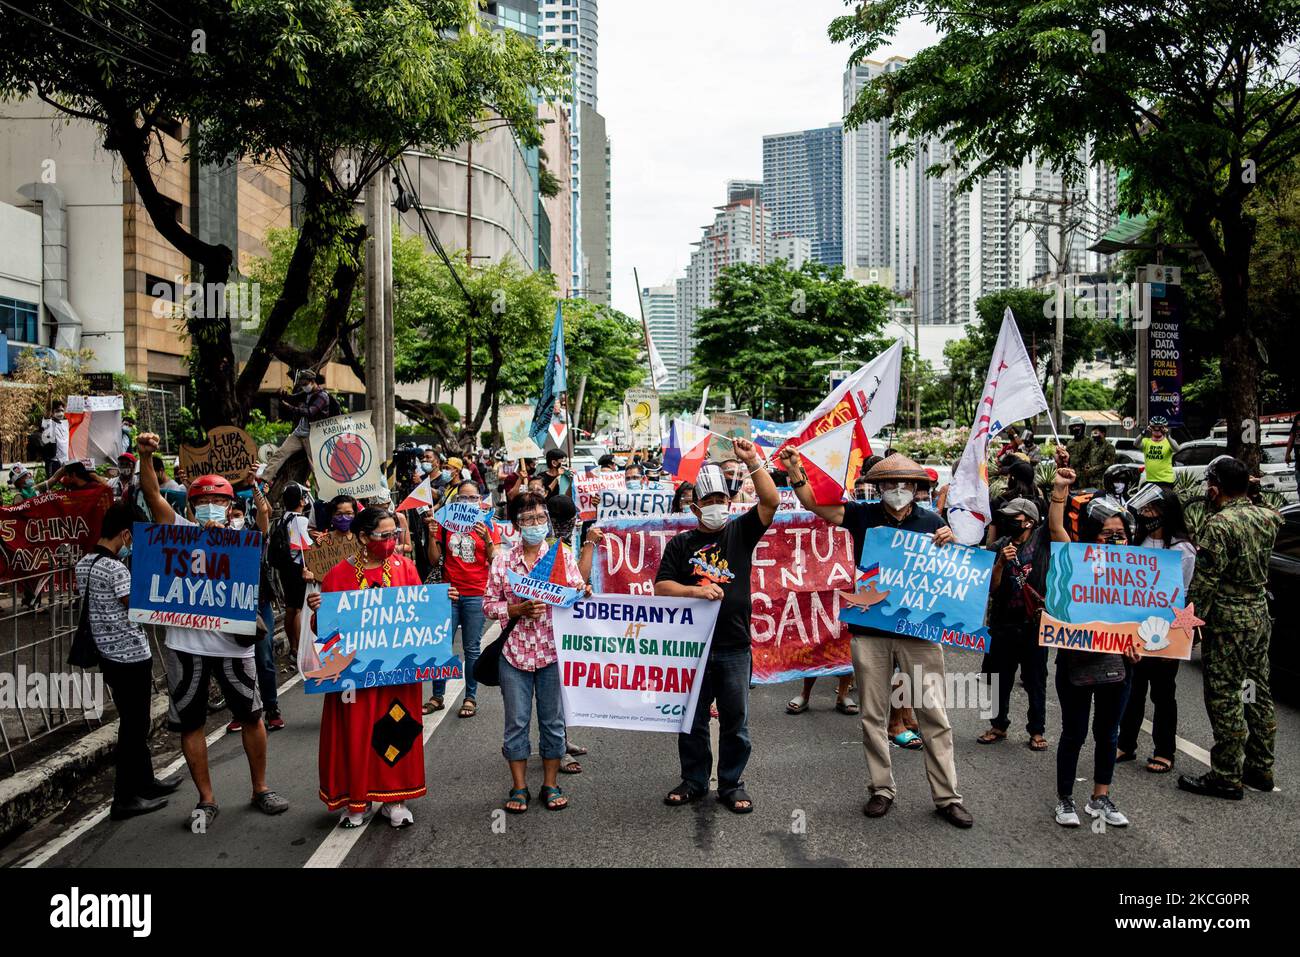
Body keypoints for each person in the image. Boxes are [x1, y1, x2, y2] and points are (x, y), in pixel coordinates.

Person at [779, 447, 974, 828]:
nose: (898, 489)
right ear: (879, 486)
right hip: (870, 631)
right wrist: (795, 470)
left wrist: (951, 545)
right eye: (890, 483)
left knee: (933, 713)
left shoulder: (933, 523)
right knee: (873, 714)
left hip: (920, 633)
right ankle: (881, 789)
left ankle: (947, 797)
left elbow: (953, 576)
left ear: (917, 488)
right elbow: (816, 506)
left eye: (905, 483)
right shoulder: (861, 516)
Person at [135, 432, 288, 829]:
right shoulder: (179, 529)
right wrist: (145, 455)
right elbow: (152, 497)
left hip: (234, 646)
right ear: (193, 504)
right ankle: (206, 798)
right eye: (203, 502)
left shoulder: (242, 537)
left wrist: (260, 501)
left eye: (218, 501)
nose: (210, 507)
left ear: (229, 505)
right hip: (185, 645)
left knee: (252, 716)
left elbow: (264, 526)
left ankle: (261, 788)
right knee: (191, 723)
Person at [655, 443, 779, 814]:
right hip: (693, 650)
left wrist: (753, 462)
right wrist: (695, 590)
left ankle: (731, 783)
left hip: (734, 646)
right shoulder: (681, 544)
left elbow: (770, 502)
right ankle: (694, 780)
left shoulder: (740, 532)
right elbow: (661, 588)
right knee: (691, 720)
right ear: (695, 508)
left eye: (722, 498)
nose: (717, 505)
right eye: (709, 499)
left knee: (735, 720)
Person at [307, 507, 428, 828]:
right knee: (356, 734)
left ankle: (395, 800)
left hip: (397, 676)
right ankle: (355, 801)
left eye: (395, 535)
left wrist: (441, 602)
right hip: (354, 679)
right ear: (363, 537)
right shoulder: (337, 576)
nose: (392, 541)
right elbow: (325, 632)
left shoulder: (407, 569)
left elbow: (422, 618)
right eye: (384, 535)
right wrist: (318, 610)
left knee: (396, 730)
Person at [1178, 455, 1283, 800]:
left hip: (1227, 622)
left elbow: (1205, 581)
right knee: (1255, 689)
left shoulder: (1219, 525)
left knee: (1225, 696)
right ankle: (1261, 767)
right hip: (1258, 616)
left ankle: (1226, 775)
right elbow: (1271, 510)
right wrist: (1254, 491)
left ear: (1214, 488)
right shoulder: (1268, 517)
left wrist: (1188, 623)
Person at [75, 502, 183, 820]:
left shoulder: (85, 564)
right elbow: (137, 605)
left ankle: (146, 782)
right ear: (124, 533)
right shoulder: (116, 568)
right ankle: (124, 798)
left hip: (109, 656)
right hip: (129, 657)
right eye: (132, 537)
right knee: (133, 728)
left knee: (136, 722)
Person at [483, 493, 589, 813]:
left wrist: (582, 593)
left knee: (553, 722)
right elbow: (489, 606)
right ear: (516, 524)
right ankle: (518, 787)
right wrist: (516, 610)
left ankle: (550, 783)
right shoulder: (502, 560)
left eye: (540, 518)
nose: (535, 525)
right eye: (527, 519)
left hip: (552, 651)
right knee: (516, 721)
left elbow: (574, 594)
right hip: (513, 654)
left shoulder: (562, 556)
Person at [1047, 467, 1140, 827]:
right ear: (1091, 534)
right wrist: (1059, 491)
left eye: (1120, 534)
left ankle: (1100, 797)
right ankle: (1065, 799)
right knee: (1074, 732)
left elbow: (1148, 620)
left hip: (1120, 665)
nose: (1114, 539)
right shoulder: (1076, 559)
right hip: (1076, 662)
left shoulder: (1139, 570)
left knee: (1108, 733)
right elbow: (1057, 529)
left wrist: (1142, 646)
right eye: (1106, 533)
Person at [1117, 485, 1195, 773]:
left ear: (1166, 513)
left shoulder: (1181, 549)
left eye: (1152, 510)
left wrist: (1174, 643)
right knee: (1132, 690)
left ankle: (1164, 751)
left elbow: (1182, 597)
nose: (1147, 515)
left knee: (1163, 694)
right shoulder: (1138, 542)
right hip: (1135, 631)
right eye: (1145, 510)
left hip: (1165, 634)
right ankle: (1126, 744)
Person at [423, 479, 499, 718]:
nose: (467, 502)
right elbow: (435, 560)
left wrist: (486, 537)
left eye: (472, 498)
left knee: (471, 648)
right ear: (456, 501)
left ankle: (470, 697)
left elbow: (495, 560)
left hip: (476, 593)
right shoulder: (445, 524)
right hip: (449, 593)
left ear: (480, 500)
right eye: (462, 498)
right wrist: (431, 535)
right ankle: (437, 696)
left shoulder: (488, 525)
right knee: (442, 645)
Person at [978, 498, 1051, 750]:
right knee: (1000, 678)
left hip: (1034, 624)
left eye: (1015, 518)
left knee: (1036, 680)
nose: (1010, 522)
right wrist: (1000, 563)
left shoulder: (1041, 542)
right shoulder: (998, 546)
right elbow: (991, 589)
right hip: (1003, 624)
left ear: (1029, 522)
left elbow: (1056, 518)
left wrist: (1061, 487)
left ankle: (1037, 731)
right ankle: (998, 724)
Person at [264, 369, 331, 483]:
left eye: (305, 384)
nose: (304, 387)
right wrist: (283, 395)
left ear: (312, 381)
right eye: (302, 385)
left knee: (316, 468)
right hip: (299, 433)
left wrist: (290, 408)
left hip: (312, 436)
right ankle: (263, 480)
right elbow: (292, 398)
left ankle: (324, 495)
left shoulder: (322, 396)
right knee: (280, 453)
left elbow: (310, 412)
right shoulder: (306, 394)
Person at [1139, 417, 1178, 488]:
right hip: (1150, 480)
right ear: (1150, 428)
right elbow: (1135, 444)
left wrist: (1168, 435)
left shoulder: (1168, 442)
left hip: (1166, 481)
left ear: (1164, 428)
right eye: (1154, 427)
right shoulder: (1146, 441)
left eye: (1160, 428)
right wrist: (1143, 433)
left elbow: (1177, 449)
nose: (1157, 430)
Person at [40, 400, 69, 479]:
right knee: (53, 487)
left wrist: (86, 402)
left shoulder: (65, 424)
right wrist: (50, 393)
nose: (60, 413)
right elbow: (47, 410)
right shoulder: (48, 423)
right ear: (52, 412)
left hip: (66, 462)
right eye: (57, 411)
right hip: (54, 463)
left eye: (62, 410)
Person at [1064, 417, 1091, 489]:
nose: (1076, 428)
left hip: (1085, 477)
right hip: (1072, 474)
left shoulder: (1090, 441)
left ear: (1083, 427)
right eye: (1074, 426)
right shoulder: (1070, 443)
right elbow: (1067, 459)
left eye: (1078, 426)